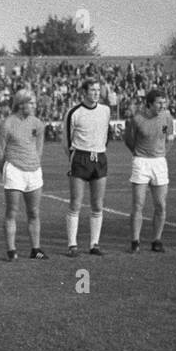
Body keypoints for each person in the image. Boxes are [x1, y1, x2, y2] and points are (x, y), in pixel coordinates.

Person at [0, 88, 47, 261]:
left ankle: (36, 249)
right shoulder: (7, 124)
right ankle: (11, 250)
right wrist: (9, 172)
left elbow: (38, 150)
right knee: (12, 212)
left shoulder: (38, 124)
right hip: (14, 171)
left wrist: (33, 164)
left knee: (34, 212)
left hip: (33, 172)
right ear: (20, 103)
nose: (34, 105)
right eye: (31, 102)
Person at [64, 77, 111, 256]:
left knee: (97, 204)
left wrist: (98, 150)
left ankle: (94, 244)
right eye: (92, 90)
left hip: (99, 157)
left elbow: (106, 135)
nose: (96, 93)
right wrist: (75, 157)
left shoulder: (105, 110)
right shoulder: (74, 112)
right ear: (84, 93)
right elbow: (66, 141)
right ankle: (72, 245)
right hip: (80, 157)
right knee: (75, 203)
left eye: (98, 90)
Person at [123, 88, 173, 252]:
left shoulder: (167, 117)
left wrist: (162, 154)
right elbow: (129, 140)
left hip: (159, 163)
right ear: (149, 104)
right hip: (141, 163)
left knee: (161, 205)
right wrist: (139, 154)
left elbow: (169, 138)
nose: (162, 106)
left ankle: (156, 240)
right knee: (138, 204)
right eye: (159, 103)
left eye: (164, 102)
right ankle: (135, 241)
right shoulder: (137, 119)